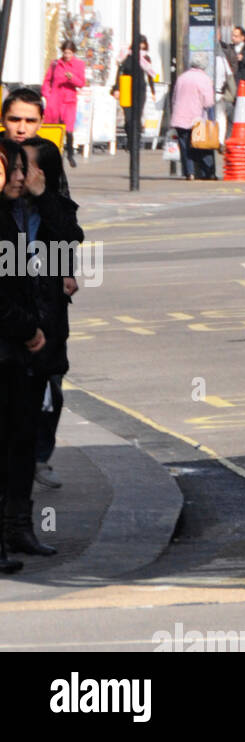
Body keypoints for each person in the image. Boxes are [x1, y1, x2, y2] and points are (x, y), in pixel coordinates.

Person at [16, 138, 79, 505]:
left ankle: (20, 520)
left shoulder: (53, 209)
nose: (20, 174)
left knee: (47, 394)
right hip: (15, 328)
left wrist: (43, 198)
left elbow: (70, 237)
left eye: (28, 167)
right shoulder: (8, 210)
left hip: (46, 323)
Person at [0, 138, 46, 568]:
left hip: (17, 352)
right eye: (11, 169)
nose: (18, 176)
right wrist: (27, 327)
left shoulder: (14, 216)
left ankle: (17, 529)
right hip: (9, 345)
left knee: (20, 439)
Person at [170, 55, 217, 181]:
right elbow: (208, 102)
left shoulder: (182, 77)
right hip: (196, 119)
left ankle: (189, 173)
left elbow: (174, 97)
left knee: (185, 146)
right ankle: (208, 172)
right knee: (202, 146)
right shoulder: (205, 79)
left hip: (179, 117)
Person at [41, 41, 86, 169]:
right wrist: (47, 94)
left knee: (68, 128)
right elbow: (47, 80)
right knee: (54, 126)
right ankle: (54, 154)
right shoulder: (55, 64)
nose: (67, 55)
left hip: (69, 100)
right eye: (65, 52)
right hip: (55, 99)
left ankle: (70, 154)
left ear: (73, 52)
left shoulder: (79, 64)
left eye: (70, 53)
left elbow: (81, 83)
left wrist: (71, 78)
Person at [113, 35, 157, 142]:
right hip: (126, 87)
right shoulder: (127, 56)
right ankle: (130, 138)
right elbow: (120, 72)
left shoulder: (146, 58)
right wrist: (117, 88)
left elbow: (150, 75)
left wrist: (153, 91)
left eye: (143, 44)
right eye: (139, 44)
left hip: (140, 89)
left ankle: (136, 140)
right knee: (128, 117)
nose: (141, 47)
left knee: (137, 116)